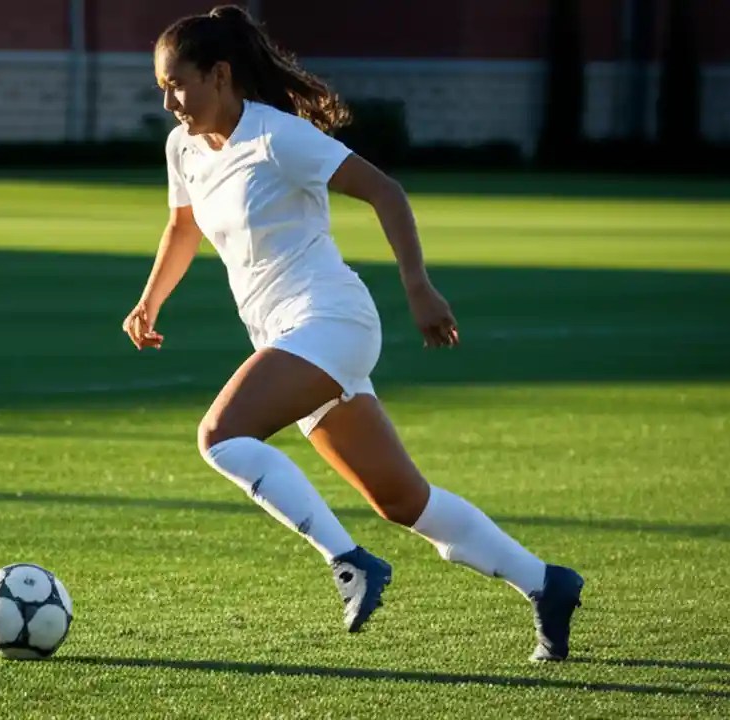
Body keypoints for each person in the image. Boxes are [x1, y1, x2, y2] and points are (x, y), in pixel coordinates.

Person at [122, 5, 584, 662]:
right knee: (404, 501)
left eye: (178, 83)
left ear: (220, 75)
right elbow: (183, 227)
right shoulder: (185, 149)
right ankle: (547, 584)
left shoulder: (279, 136)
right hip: (288, 337)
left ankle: (349, 562)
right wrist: (149, 303)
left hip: (330, 321)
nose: (169, 101)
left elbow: (386, 191)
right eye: (161, 87)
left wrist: (418, 287)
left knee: (221, 437)